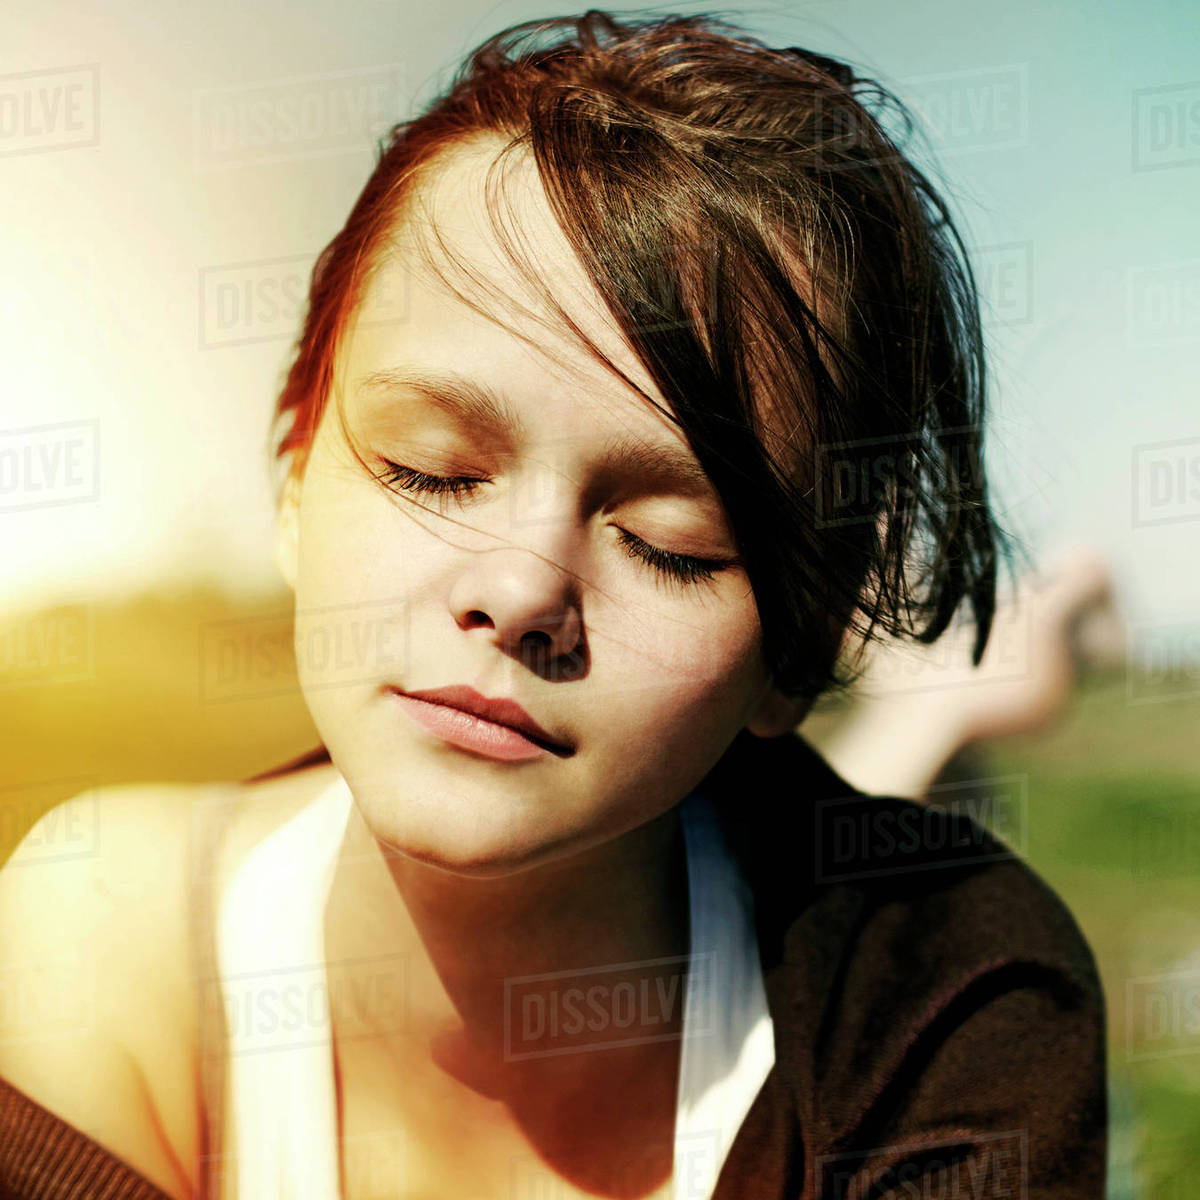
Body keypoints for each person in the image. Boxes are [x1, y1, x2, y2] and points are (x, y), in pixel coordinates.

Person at [0, 10, 1106, 1199]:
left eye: (672, 545)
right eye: (432, 470)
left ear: (796, 652)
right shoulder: (106, 940)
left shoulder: (950, 1009)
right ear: (295, 478)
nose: (522, 589)